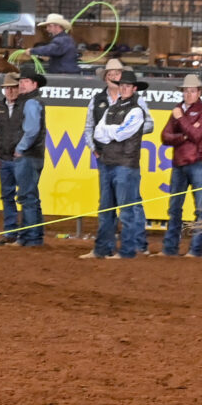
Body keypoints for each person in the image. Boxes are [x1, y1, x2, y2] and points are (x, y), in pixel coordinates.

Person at [82, 61, 153, 259]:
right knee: (107, 208)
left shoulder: (136, 107)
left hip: (124, 162)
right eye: (112, 75)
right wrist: (107, 137)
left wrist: (118, 132)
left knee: (128, 207)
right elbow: (96, 130)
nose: (121, 86)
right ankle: (104, 248)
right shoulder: (105, 104)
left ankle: (133, 248)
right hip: (107, 159)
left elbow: (125, 131)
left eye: (125, 84)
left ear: (133, 87)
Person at [160, 74, 202, 258]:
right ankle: (170, 249)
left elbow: (197, 135)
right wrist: (184, 135)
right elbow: (165, 137)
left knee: (199, 209)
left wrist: (181, 119)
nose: (188, 94)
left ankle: (195, 250)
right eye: (186, 91)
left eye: (192, 91)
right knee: (175, 208)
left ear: (199, 93)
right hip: (181, 163)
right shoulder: (180, 111)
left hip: (197, 163)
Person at [1, 65, 47, 246]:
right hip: (34, 154)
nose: (21, 84)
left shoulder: (30, 102)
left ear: (34, 84)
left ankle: (30, 237)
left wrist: (20, 148)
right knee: (30, 196)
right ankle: (32, 235)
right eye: (21, 81)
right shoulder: (31, 101)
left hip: (28, 155)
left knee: (27, 197)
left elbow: (31, 130)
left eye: (26, 81)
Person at [0, 73, 24, 243]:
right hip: (4, 157)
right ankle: (11, 232)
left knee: (25, 195)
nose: (10, 91)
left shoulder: (25, 106)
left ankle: (24, 232)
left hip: (20, 158)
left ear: (19, 89)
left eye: (13, 88)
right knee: (7, 195)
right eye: (7, 88)